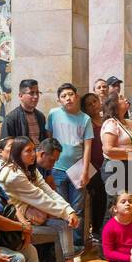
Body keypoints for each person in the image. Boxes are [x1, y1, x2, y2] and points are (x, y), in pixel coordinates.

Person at [0, 136, 95, 262]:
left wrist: (68, 211)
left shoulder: (29, 169)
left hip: (31, 219)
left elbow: (48, 191)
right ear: (17, 153)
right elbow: (40, 198)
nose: (33, 154)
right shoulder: (14, 175)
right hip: (17, 226)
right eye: (28, 151)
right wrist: (65, 212)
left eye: (32, 149)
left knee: (64, 225)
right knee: (62, 227)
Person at [46, 83, 94, 248]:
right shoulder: (53, 114)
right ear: (59, 100)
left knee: (77, 209)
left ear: (76, 96)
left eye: (70, 94)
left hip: (77, 168)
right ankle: (63, 246)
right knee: (61, 208)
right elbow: (49, 140)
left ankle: (77, 245)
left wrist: (85, 171)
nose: (68, 98)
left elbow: (88, 146)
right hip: (57, 168)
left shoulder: (85, 119)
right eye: (64, 96)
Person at [99, 91, 132, 198]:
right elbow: (108, 149)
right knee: (115, 204)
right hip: (115, 168)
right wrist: (129, 151)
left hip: (130, 165)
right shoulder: (111, 123)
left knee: (128, 202)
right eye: (121, 98)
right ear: (114, 104)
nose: (125, 99)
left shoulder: (128, 122)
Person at [81, 92, 108, 250]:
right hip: (94, 167)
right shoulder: (88, 123)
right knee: (97, 201)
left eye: (95, 101)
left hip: (108, 166)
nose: (93, 105)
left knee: (107, 199)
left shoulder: (106, 120)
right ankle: (96, 231)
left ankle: (106, 230)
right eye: (89, 104)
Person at [1, 78, 48, 142]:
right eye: (31, 93)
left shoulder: (40, 116)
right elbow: (5, 145)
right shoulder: (11, 119)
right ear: (20, 96)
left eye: (37, 93)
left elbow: (44, 141)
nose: (36, 96)